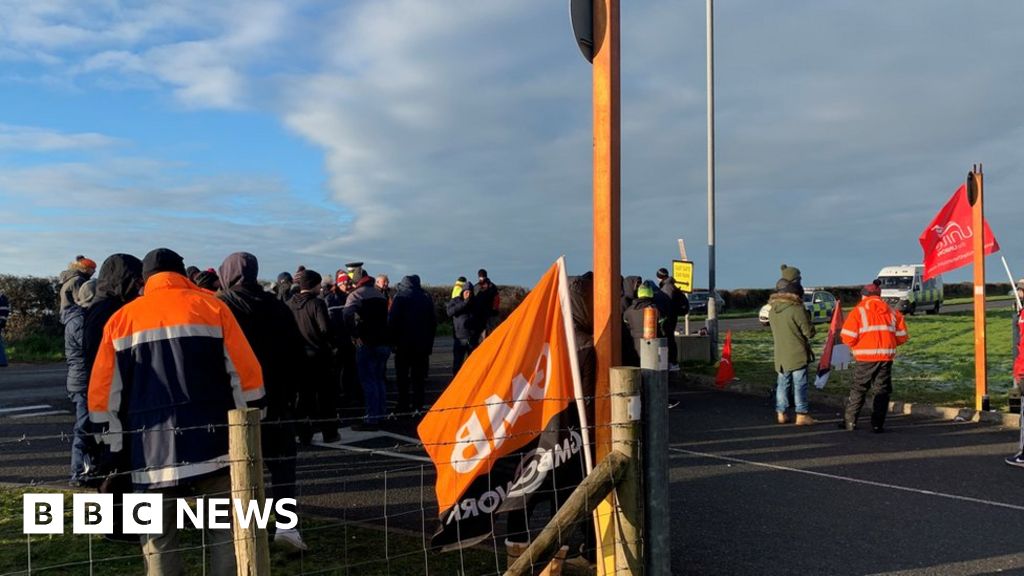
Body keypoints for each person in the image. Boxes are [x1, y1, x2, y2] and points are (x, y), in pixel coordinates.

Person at [88, 248, 264, 575]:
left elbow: (102, 392)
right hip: (215, 442)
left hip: (147, 449)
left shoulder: (121, 319)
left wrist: (111, 443)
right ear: (183, 273)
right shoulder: (213, 307)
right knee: (226, 530)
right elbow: (246, 374)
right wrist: (251, 422)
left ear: (144, 279)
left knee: (158, 539)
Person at [217, 252, 309, 550]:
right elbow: (297, 353)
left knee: (237, 472)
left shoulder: (220, 306)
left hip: (235, 403)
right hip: (278, 399)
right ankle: (287, 528)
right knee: (282, 468)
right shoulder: (277, 307)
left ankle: (246, 531)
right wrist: (294, 393)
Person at [839, 280, 909, 433]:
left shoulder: (858, 311)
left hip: (864, 358)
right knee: (881, 390)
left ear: (864, 296)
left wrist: (859, 344)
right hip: (885, 357)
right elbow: (902, 336)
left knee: (859, 389)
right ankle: (877, 425)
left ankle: (850, 422)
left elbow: (847, 337)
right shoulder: (892, 312)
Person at [288, 269, 340, 443]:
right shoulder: (317, 303)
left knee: (303, 397)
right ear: (314, 285)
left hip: (298, 357)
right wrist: (331, 343)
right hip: (320, 356)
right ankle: (330, 432)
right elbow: (325, 328)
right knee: (326, 397)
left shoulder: (289, 304)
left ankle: (304, 433)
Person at [343, 262, 390, 429]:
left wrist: (355, 335)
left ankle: (372, 418)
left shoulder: (356, 295)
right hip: (383, 341)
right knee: (379, 380)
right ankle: (382, 414)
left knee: (368, 381)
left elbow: (347, 315)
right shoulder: (380, 295)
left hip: (367, 342)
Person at [767, 268, 816, 426]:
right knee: (800, 384)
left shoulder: (773, 310)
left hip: (781, 354)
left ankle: (781, 412)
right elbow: (809, 333)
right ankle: (801, 414)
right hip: (797, 353)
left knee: (783, 384)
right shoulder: (797, 309)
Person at [65, 277, 98, 486]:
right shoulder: (80, 320)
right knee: (83, 428)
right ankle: (78, 472)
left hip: (79, 379)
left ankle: (87, 469)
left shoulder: (75, 317)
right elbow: (89, 348)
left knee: (86, 426)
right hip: (83, 380)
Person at [388, 275, 436, 412]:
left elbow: (393, 321)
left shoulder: (400, 297)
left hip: (403, 345)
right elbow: (433, 322)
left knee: (402, 377)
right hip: (422, 345)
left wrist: (392, 341)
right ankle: (418, 405)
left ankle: (403, 404)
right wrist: (429, 344)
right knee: (418, 378)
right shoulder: (426, 298)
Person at [657, 267, 689, 371]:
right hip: (672, 317)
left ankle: (672, 362)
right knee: (669, 339)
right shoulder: (671, 285)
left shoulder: (667, 287)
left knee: (668, 339)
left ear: (659, 277)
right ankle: (672, 362)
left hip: (668, 318)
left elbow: (668, 304)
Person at [447, 278, 481, 376]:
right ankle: (456, 383)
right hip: (460, 337)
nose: (468, 294)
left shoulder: (475, 302)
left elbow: (480, 317)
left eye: (470, 292)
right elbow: (450, 312)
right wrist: (464, 304)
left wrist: (478, 332)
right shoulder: (456, 301)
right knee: (458, 363)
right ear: (463, 292)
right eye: (466, 292)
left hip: (473, 337)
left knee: (473, 364)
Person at [476, 269, 500, 336]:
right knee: (480, 332)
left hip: (490, 313)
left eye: (482, 276)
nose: (481, 278)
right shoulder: (476, 287)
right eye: (480, 276)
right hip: (479, 314)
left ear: (486, 276)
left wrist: (495, 309)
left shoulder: (492, 287)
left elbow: (496, 299)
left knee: (490, 332)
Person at [0, 289, 8, 367]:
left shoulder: (2, 299)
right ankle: (2, 361)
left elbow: (4, 311)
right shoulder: (4, 298)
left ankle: (2, 361)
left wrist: (2, 322)